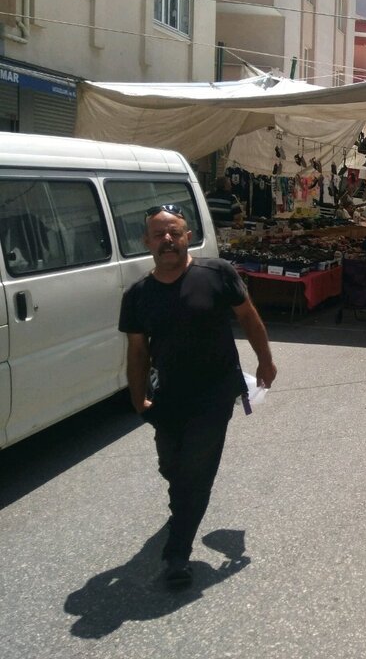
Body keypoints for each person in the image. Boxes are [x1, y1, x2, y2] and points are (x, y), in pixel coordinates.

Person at [118, 204, 276, 589]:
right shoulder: (138, 295)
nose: (167, 240)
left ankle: (176, 553)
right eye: (159, 234)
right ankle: (182, 511)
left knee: (196, 473)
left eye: (174, 233)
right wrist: (139, 400)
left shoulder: (217, 273)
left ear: (188, 236)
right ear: (147, 242)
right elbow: (137, 352)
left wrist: (266, 361)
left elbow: (249, 317)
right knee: (172, 466)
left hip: (215, 393)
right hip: (168, 395)